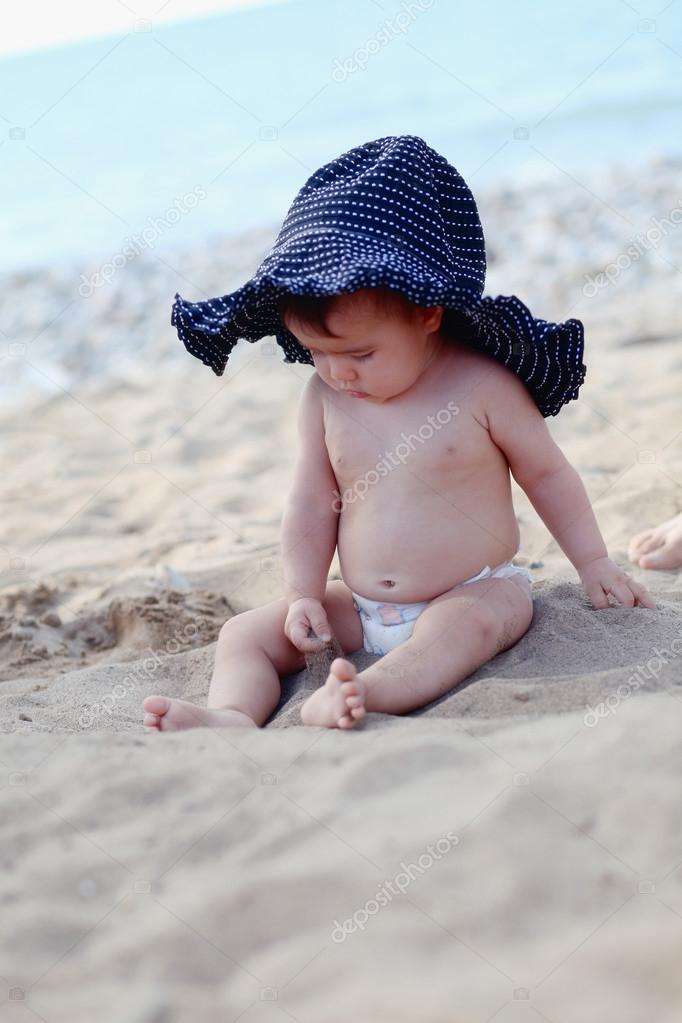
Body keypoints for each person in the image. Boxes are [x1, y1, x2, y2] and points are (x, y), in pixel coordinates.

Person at [142, 135, 655, 733]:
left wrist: (591, 560)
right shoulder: (325, 398)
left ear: (427, 311)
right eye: (315, 352)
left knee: (463, 631)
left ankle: (365, 693)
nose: (338, 371)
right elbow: (311, 501)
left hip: (472, 589)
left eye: (359, 352)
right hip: (359, 606)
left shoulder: (482, 387)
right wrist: (304, 593)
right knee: (244, 633)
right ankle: (231, 713)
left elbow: (546, 472)